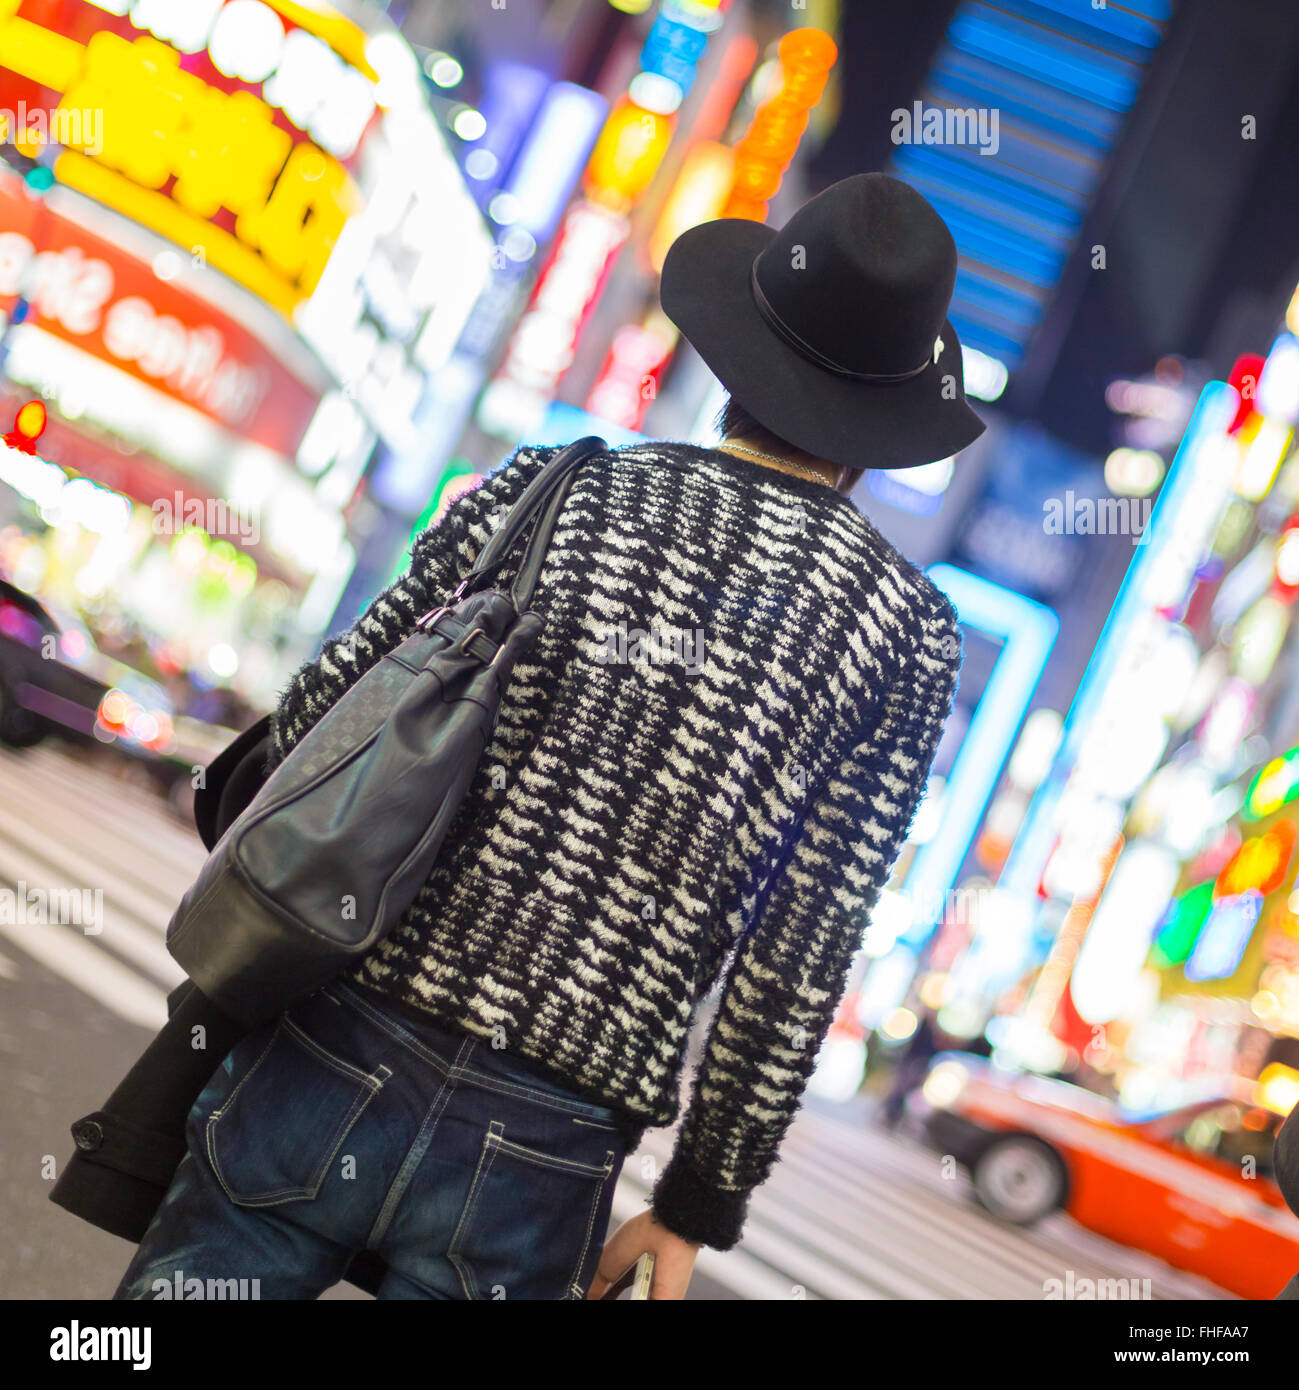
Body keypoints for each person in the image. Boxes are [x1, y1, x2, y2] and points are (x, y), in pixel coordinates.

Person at [105, 172, 982, 1300]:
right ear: (883, 420)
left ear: (739, 353)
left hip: (341, 1026)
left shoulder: (559, 490)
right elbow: (800, 954)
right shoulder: (904, 639)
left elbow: (329, 704)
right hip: (552, 1137)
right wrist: (695, 1204)